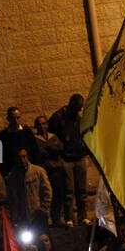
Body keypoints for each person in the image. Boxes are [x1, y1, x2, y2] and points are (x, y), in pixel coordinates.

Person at [49, 94, 89, 225]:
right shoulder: (58, 117)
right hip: (66, 158)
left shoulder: (77, 118)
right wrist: (59, 149)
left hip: (79, 156)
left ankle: (83, 216)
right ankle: (69, 217)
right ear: (71, 103)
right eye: (77, 107)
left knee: (82, 190)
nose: (78, 110)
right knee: (68, 191)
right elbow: (50, 135)